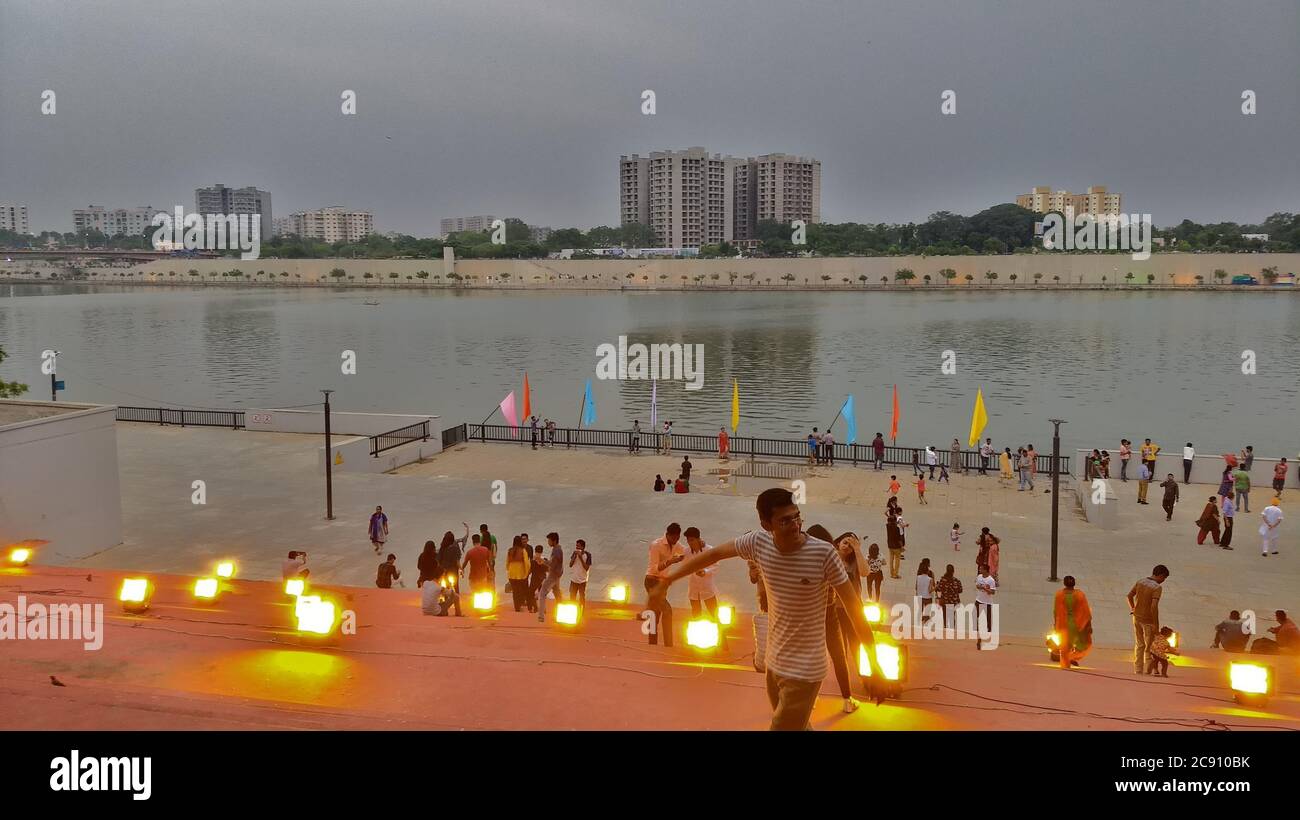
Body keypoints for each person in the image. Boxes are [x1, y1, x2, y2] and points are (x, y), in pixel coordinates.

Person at [645, 488, 886, 730]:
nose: (795, 526)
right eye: (784, 520)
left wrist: (874, 665)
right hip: (774, 663)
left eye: (797, 517)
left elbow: (855, 609)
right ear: (766, 523)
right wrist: (667, 580)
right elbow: (715, 554)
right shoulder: (758, 543)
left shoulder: (823, 554)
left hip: (806, 669)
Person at [807, 525, 861, 714]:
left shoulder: (804, 560)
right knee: (838, 657)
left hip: (809, 617)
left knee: (813, 657)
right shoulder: (831, 561)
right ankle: (847, 699)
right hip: (829, 615)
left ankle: (810, 699)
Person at [644, 523, 686, 646]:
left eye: (678, 538)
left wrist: (699, 545)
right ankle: (668, 644)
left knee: (656, 613)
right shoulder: (656, 545)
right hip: (652, 581)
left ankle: (652, 643)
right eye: (674, 538)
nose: (675, 541)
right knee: (667, 610)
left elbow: (686, 552)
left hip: (663, 583)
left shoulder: (676, 544)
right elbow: (654, 568)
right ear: (668, 535)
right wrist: (670, 561)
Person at [1126, 564, 1169, 675]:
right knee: (1150, 647)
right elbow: (1154, 607)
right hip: (1148, 620)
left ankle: (1138, 670)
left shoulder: (1140, 581)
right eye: (1164, 578)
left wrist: (1133, 608)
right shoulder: (1157, 588)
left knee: (1139, 644)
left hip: (1136, 617)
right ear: (1160, 575)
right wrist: (1156, 624)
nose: (1163, 581)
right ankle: (1152, 669)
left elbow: (1129, 596)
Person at [1052, 576, 1092, 669]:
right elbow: (1086, 612)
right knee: (1084, 645)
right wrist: (1088, 625)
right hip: (1077, 625)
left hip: (1062, 625)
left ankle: (1065, 666)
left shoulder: (1059, 595)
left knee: (1064, 649)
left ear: (1064, 583)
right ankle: (1071, 657)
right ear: (1074, 583)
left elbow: (1055, 611)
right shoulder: (1080, 595)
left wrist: (1055, 625)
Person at [683, 527, 721, 621]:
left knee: (714, 613)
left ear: (698, 539)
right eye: (688, 540)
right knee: (696, 615)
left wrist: (705, 572)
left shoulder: (709, 550)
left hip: (707, 587)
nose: (690, 543)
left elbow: (716, 566)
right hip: (693, 587)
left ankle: (721, 634)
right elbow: (685, 566)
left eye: (692, 540)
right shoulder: (686, 551)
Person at [536, 532, 565, 622]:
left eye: (549, 540)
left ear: (554, 541)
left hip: (553, 575)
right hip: (556, 575)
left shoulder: (557, 551)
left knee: (542, 593)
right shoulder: (557, 549)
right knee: (557, 594)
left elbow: (553, 564)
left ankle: (541, 616)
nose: (548, 542)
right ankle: (562, 614)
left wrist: (543, 561)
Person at [437, 524, 469, 596]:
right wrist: (461, 569)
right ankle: (457, 605)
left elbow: (438, 560)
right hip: (453, 571)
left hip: (443, 571)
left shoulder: (442, 547)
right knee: (456, 587)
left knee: (445, 588)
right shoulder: (455, 548)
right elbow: (457, 561)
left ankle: (446, 604)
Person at [974, 563, 997, 650]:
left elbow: (993, 592)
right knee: (977, 619)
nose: (980, 570)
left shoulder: (991, 580)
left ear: (985, 570)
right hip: (978, 601)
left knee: (988, 622)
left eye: (981, 568)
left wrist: (985, 589)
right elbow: (977, 585)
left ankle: (988, 637)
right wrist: (979, 586)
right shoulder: (979, 577)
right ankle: (979, 639)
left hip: (987, 603)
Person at [506, 536, 532, 612]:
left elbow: (507, 563)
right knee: (521, 590)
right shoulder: (523, 550)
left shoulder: (509, 551)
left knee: (515, 591)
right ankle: (520, 604)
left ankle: (516, 607)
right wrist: (527, 572)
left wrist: (509, 570)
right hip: (520, 574)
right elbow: (527, 563)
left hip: (511, 574)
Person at [935, 564, 962, 630]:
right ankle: (952, 630)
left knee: (945, 616)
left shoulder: (943, 580)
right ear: (953, 571)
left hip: (945, 601)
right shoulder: (957, 581)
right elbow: (960, 590)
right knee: (952, 616)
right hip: (954, 602)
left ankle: (945, 629)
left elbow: (938, 589)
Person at [568, 539, 592, 614]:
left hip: (582, 580)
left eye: (578, 546)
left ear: (583, 547)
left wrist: (581, 558)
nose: (577, 547)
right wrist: (574, 557)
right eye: (576, 546)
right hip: (574, 579)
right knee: (572, 596)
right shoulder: (574, 553)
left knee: (581, 597)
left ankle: (582, 611)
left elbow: (586, 568)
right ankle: (572, 611)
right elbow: (570, 565)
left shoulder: (588, 555)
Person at [527, 545, 548, 613]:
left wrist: (526, 575)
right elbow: (547, 569)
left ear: (535, 550)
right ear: (542, 551)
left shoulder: (533, 560)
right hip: (543, 578)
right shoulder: (545, 559)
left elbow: (530, 570)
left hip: (535, 579)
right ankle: (543, 609)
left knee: (530, 593)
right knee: (542, 594)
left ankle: (534, 607)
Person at [915, 558, 935, 623]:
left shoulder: (918, 576)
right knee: (927, 612)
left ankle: (919, 622)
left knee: (920, 610)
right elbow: (930, 590)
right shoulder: (930, 578)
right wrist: (936, 588)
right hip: (927, 597)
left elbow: (916, 587)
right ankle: (925, 622)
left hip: (919, 596)